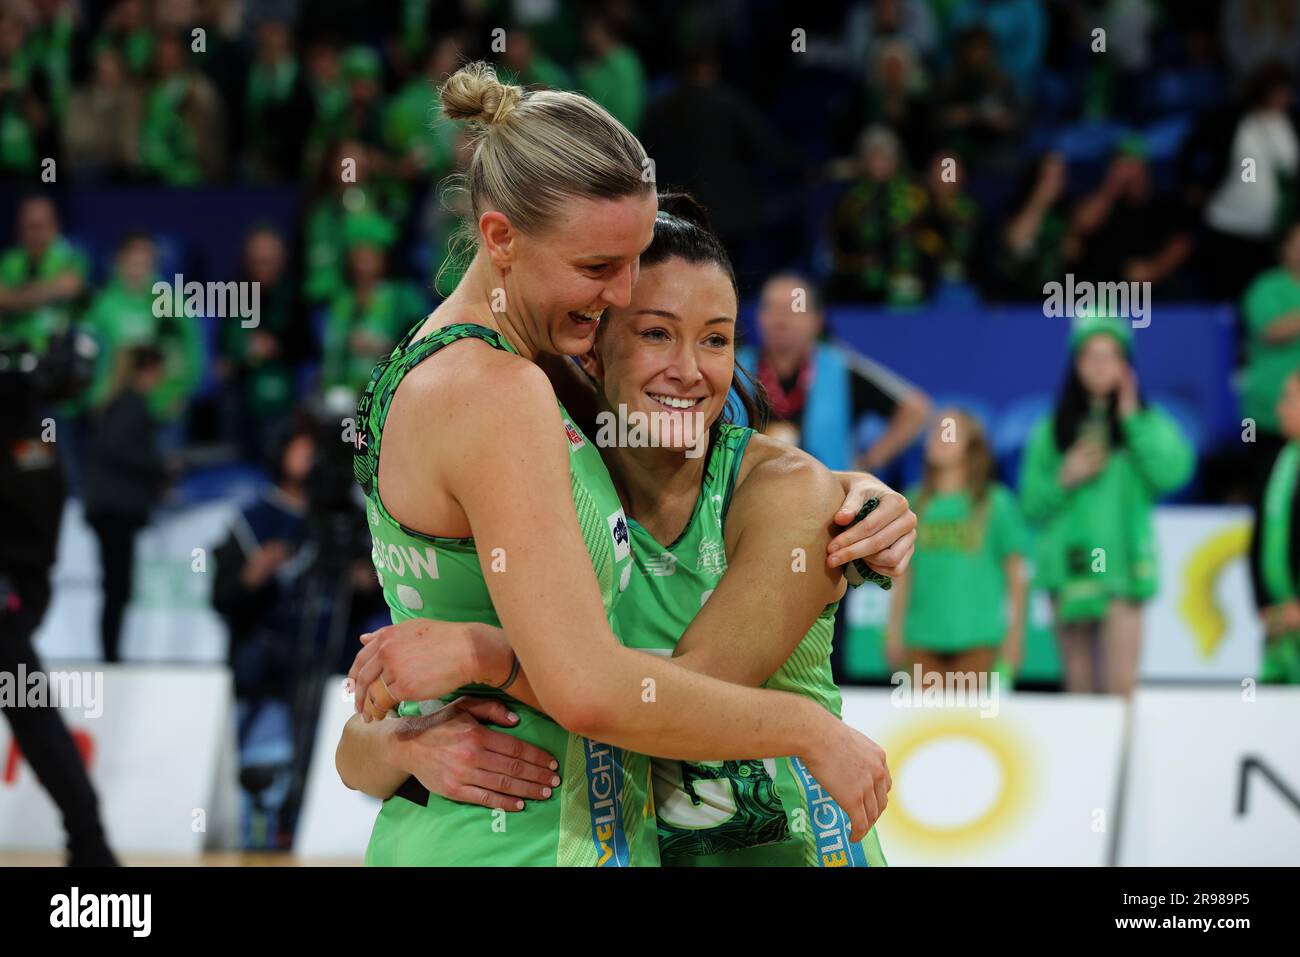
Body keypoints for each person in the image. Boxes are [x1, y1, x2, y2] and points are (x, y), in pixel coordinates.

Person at [333, 62, 893, 866]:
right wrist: (807, 728)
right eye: (600, 270)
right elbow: (595, 689)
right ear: (500, 239)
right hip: (526, 842)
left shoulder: (479, 372)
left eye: (716, 337)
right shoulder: (503, 391)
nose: (620, 295)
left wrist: (854, 492)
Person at [1019, 314, 1194, 695]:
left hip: (1123, 568)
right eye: (1091, 356)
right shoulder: (1051, 431)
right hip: (1069, 565)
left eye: (1111, 356)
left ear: (1125, 366)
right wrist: (1064, 478)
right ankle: (1082, 758)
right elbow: (1030, 505)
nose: (1101, 366)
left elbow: (1173, 474)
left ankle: (1125, 759)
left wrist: (1133, 421)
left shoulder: (1147, 423)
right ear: (1076, 364)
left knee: (1121, 687)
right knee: (1078, 687)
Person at [886, 408, 1028, 683]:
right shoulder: (912, 503)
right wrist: (893, 631)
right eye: (935, 430)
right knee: (928, 724)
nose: (938, 437)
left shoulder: (995, 504)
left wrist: (1015, 638)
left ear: (972, 445)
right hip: (921, 637)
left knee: (967, 725)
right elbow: (903, 576)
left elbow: (1017, 578)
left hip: (978, 639)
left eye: (949, 431)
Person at [741, 271, 931, 474]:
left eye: (793, 307)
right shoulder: (736, 368)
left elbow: (916, 409)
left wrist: (866, 463)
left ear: (816, 320)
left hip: (824, 498)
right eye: (771, 307)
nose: (780, 317)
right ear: (759, 317)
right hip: (747, 495)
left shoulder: (840, 369)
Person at [82, 344, 169, 663]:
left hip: (111, 507)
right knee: (116, 586)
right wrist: (159, 467)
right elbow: (118, 448)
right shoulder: (129, 404)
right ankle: (110, 656)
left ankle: (111, 653)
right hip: (115, 509)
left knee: (116, 585)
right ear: (147, 370)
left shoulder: (118, 402)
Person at [1248, 369, 1300, 684]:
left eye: (1290, 400)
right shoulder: (1278, 464)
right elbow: (1259, 542)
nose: (1279, 408)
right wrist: (1266, 604)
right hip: (1282, 631)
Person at [1240, 221, 1300, 486]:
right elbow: (1271, 331)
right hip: (1267, 414)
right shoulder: (1266, 287)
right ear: (1284, 247)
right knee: (1269, 489)